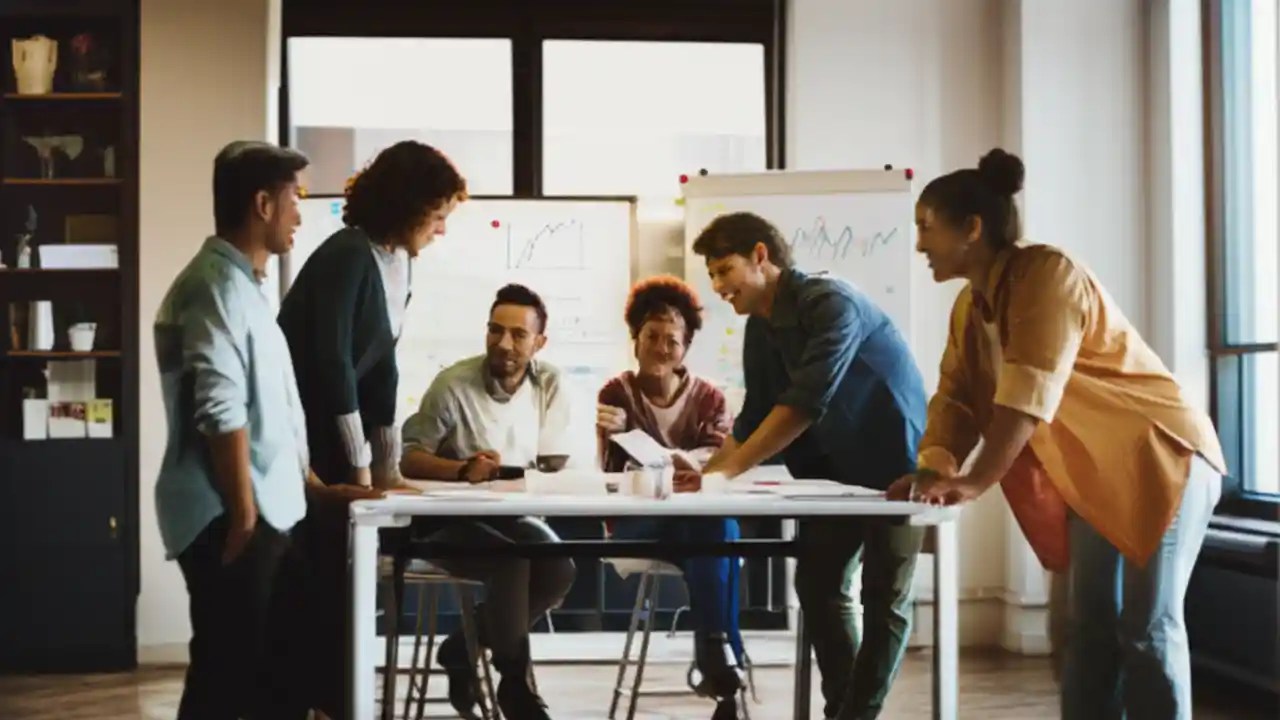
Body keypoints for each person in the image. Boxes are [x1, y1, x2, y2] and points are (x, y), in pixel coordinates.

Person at [890, 148, 1226, 720]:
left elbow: (1028, 394)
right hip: (1096, 473)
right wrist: (934, 467)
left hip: (1161, 455)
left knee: (1147, 626)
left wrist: (974, 480)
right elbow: (954, 399)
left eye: (926, 227)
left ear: (972, 228)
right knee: (1085, 625)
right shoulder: (971, 308)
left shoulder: (1048, 274)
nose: (919, 244)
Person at [154, 141, 380, 719]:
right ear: (262, 203)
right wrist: (245, 516)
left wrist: (314, 489)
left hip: (265, 510)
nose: (300, 214)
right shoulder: (215, 287)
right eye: (293, 199)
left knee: (278, 677)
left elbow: (274, 417)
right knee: (227, 680)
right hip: (230, 515)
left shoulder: (247, 288)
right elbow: (221, 408)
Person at [691, 212, 929, 720]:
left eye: (724, 270)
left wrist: (722, 477)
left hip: (898, 462)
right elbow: (755, 415)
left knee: (884, 594)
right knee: (819, 585)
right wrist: (709, 472)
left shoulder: (830, 302)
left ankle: (855, 715)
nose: (717, 286)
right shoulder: (759, 327)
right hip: (835, 472)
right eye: (711, 275)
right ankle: (842, 708)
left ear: (761, 256)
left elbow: (804, 403)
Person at [276, 140, 467, 719]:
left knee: (345, 585)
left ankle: (337, 703)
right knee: (322, 587)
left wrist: (388, 469)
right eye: (436, 217)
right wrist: (360, 465)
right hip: (307, 446)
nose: (440, 231)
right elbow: (332, 365)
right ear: (407, 206)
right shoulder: (347, 254)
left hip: (340, 444)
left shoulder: (397, 263)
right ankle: (321, 705)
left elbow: (382, 369)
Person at [399, 283, 576, 720]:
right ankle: (514, 685)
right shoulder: (452, 384)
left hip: (511, 512)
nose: (504, 344)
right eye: (495, 331)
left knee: (560, 568)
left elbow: (555, 460)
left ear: (539, 342)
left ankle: (462, 646)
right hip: (444, 519)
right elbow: (409, 458)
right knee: (511, 562)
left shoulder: (549, 382)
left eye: (518, 335)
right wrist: (462, 470)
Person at [596, 275, 742, 720]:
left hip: (692, 524)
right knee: (720, 536)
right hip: (636, 524)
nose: (661, 348)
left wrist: (668, 458)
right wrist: (681, 461)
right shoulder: (616, 393)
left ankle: (719, 671)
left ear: (687, 345)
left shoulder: (709, 397)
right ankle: (721, 663)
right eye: (651, 337)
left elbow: (719, 458)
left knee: (710, 536)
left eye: (672, 340)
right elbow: (614, 473)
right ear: (635, 339)